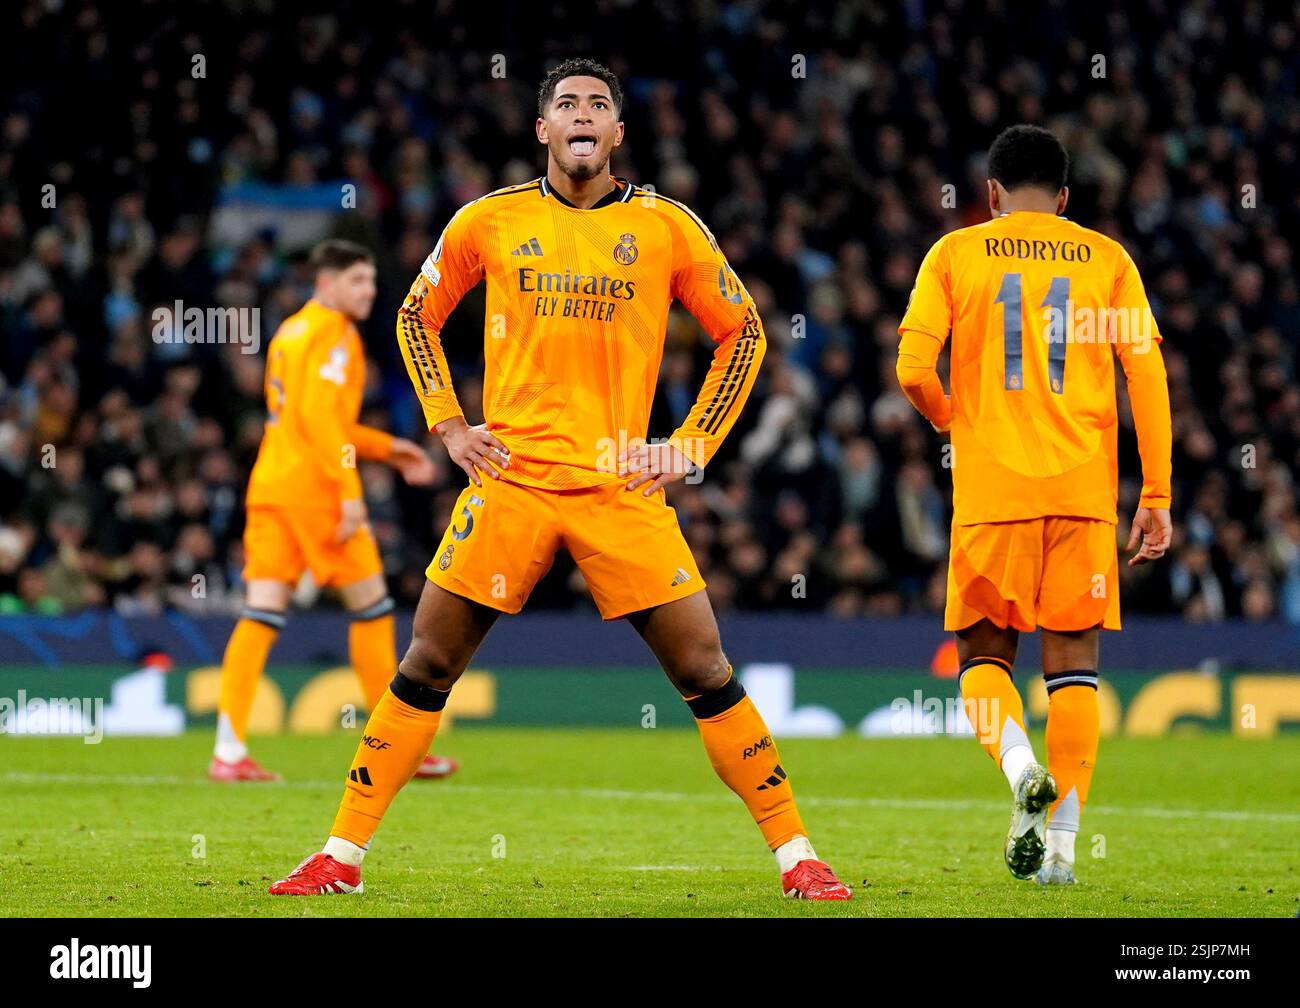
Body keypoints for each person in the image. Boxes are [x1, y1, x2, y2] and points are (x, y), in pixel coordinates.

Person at [269, 59, 850, 900]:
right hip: (513, 479)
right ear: (543, 129)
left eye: (600, 104)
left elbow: (745, 333)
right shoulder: (490, 221)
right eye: (567, 104)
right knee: (427, 659)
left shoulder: (665, 228)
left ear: (619, 133)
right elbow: (413, 314)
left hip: (621, 484)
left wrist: (690, 445)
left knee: (704, 667)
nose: (583, 114)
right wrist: (448, 424)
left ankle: (799, 858)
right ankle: (340, 858)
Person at [896, 125, 1172, 884]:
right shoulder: (1107, 260)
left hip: (993, 493)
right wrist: (1156, 492)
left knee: (983, 658)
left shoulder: (955, 254)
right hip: (1084, 494)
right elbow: (1146, 376)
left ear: (990, 195)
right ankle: (1061, 853)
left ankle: (1019, 766)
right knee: (1075, 670)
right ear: (1064, 197)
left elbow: (913, 366)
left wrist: (951, 415)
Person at [211, 239, 458, 783]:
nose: (368, 291)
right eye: (357, 281)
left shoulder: (291, 332)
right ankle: (393, 745)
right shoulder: (333, 336)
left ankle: (228, 752)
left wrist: (385, 448)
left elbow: (304, 419)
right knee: (371, 604)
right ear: (325, 283)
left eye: (371, 282)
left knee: (261, 612)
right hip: (317, 491)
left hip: (272, 485)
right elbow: (322, 424)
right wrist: (350, 491)